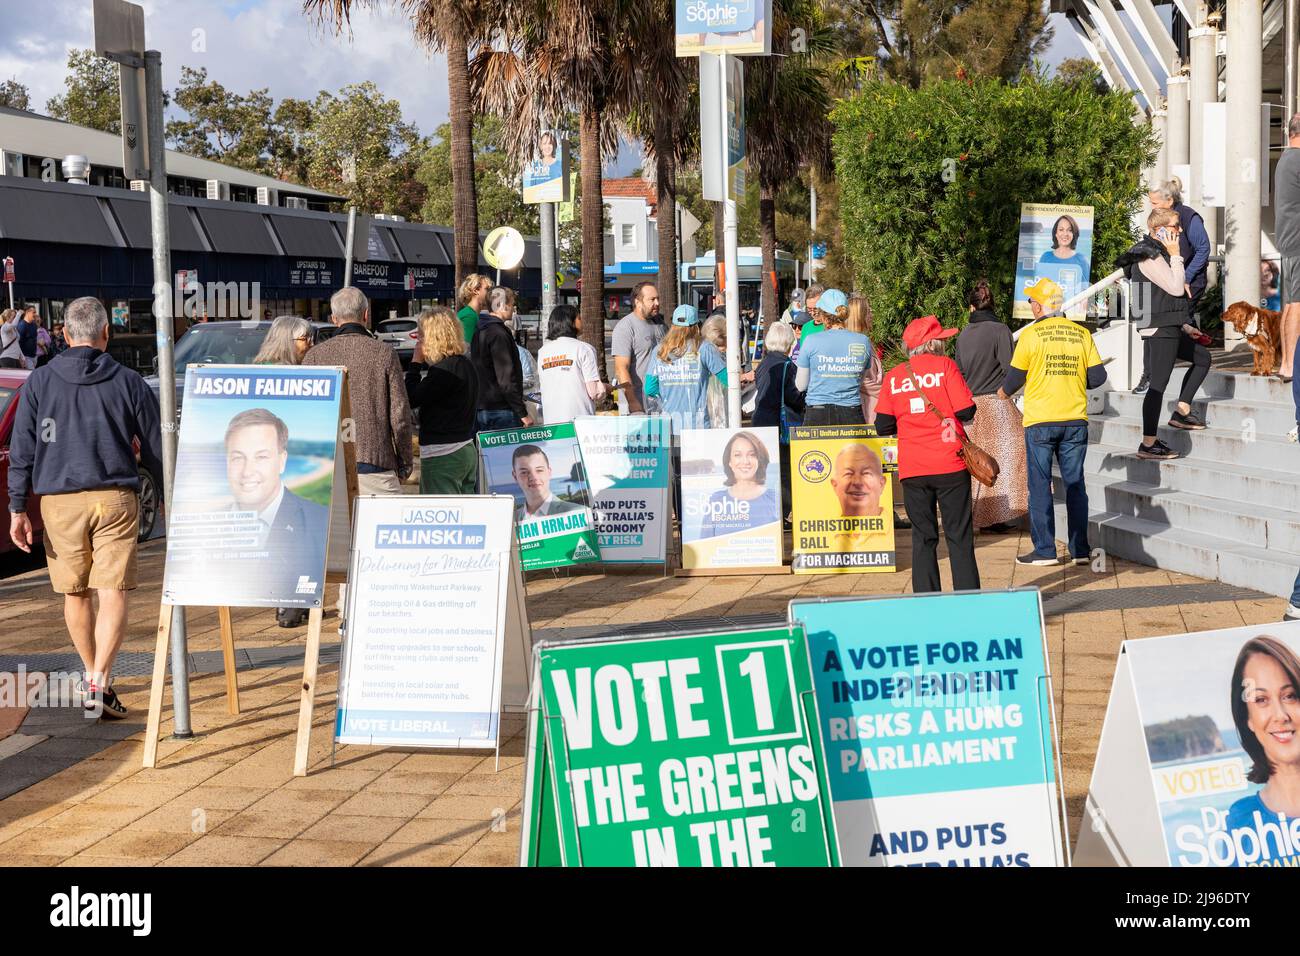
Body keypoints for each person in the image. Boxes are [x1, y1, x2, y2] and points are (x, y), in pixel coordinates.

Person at [7, 297, 163, 719]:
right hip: (115, 499)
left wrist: (18, 507)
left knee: (74, 593)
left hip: (59, 503)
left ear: (64, 334)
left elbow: (22, 449)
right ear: (106, 333)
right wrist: (170, 495)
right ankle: (99, 681)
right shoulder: (129, 381)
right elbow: (157, 447)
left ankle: (92, 675)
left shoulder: (39, 382)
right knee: (113, 591)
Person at [999, 276, 1107, 566]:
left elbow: (1014, 380)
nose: (1031, 306)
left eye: (1032, 301)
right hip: (1075, 420)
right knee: (1075, 485)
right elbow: (1098, 377)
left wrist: (1002, 393)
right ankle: (1080, 550)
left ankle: (1045, 550)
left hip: (1040, 422)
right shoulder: (1081, 334)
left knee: (1040, 485)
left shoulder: (1031, 336)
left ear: (1039, 306)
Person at [874, 315, 979, 593]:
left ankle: (926, 599)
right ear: (931, 344)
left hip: (914, 468)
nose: (944, 343)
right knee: (959, 536)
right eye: (940, 339)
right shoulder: (946, 367)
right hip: (950, 463)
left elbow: (882, 425)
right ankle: (969, 599)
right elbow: (966, 411)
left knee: (923, 537)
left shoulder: (896, 375)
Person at [1117, 207, 1211, 460]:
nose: (1179, 230)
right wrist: (1177, 255)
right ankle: (1148, 443)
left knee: (1203, 358)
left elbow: (1165, 296)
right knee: (1157, 386)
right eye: (1175, 226)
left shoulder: (1156, 253)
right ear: (1159, 230)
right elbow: (1176, 288)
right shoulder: (1150, 256)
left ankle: (1182, 410)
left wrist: (1185, 325)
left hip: (1168, 324)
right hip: (1160, 328)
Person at [302, 286, 414, 494]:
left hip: (327, 465)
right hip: (376, 461)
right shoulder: (384, 353)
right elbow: (399, 416)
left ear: (334, 318)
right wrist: (405, 462)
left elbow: (306, 415)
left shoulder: (314, 356)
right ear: (365, 314)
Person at [223, 408, 329, 599]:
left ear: (282, 461)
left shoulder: (320, 522)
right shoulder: (202, 527)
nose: (247, 471)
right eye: (238, 458)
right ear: (227, 462)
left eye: (261, 457)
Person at [252, 314, 315, 629]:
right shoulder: (286, 376)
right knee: (291, 532)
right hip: (283, 466)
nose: (310, 344)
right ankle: (289, 602)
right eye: (305, 339)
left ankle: (295, 598)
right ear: (287, 341)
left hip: (284, 464)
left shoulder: (258, 372)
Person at [955, 279, 1027, 534]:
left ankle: (979, 515)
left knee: (977, 465)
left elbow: (960, 373)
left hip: (971, 409)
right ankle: (1002, 514)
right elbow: (1010, 369)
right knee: (1010, 460)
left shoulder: (963, 334)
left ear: (971, 307)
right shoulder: (1000, 330)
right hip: (997, 406)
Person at [1224, 636, 1300, 866]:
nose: (1280, 715)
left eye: (1290, 696)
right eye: (1261, 700)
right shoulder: (1240, 821)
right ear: (1247, 718)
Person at [1138, 178, 1212, 391]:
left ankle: (1154, 375)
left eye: (1155, 203)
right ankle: (1153, 374)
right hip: (1168, 282)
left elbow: (1203, 248)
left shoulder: (1189, 217)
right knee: (1159, 326)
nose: (1152, 207)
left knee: (1176, 325)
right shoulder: (1160, 221)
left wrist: (1186, 277)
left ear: (1169, 200)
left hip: (1188, 282)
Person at [405, 306, 480, 494]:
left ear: (433, 337)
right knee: (465, 508)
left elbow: (410, 398)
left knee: (441, 509)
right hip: (465, 447)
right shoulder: (466, 364)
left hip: (442, 453)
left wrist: (415, 364)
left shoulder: (442, 371)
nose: (418, 340)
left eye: (421, 335)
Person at [644, 303, 728, 432]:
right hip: (698, 425)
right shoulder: (704, 348)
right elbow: (728, 380)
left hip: (670, 424)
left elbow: (649, 388)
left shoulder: (659, 350)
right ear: (696, 326)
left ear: (673, 325)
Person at [795, 288, 872, 425]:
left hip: (817, 412)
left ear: (823, 315)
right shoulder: (863, 341)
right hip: (851, 412)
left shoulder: (811, 340)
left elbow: (801, 385)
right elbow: (859, 380)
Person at [751, 321, 804, 514]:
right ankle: (784, 511)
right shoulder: (787, 366)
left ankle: (768, 510)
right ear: (788, 342)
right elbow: (794, 397)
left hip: (760, 421)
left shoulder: (763, 364)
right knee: (784, 469)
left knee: (766, 468)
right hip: (780, 425)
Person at [470, 285, 530, 431]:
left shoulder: (480, 330)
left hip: (483, 408)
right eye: (511, 304)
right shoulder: (498, 334)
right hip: (501, 410)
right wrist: (522, 412)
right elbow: (506, 379)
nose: (513, 308)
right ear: (502, 305)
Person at [700, 430, 780, 538]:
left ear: (759, 460)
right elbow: (704, 544)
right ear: (729, 461)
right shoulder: (716, 501)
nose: (745, 461)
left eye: (752, 455)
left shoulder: (774, 499)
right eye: (737, 455)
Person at [537, 304, 606, 424]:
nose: (582, 321)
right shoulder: (584, 349)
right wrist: (605, 388)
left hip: (551, 422)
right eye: (579, 318)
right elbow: (594, 392)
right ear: (570, 322)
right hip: (580, 421)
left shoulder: (543, 351)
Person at [611, 281, 666, 414]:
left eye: (658, 299)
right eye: (652, 299)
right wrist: (632, 401)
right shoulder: (625, 327)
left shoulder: (660, 325)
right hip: (639, 404)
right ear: (638, 302)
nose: (657, 303)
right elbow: (621, 368)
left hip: (662, 402)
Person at [1276, 114, 1300, 381]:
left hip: (1288, 241)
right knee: (1298, 305)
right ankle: (1292, 365)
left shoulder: (1285, 159)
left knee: (1291, 303)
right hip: (1298, 241)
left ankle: (1285, 363)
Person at [512, 444, 583, 521]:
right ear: (515, 477)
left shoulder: (578, 512)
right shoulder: (509, 521)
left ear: (549, 472)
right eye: (524, 472)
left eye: (539, 470)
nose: (533, 477)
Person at [1037, 214, 1090, 301]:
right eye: (1061, 230)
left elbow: (1084, 295)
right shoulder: (1045, 257)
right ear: (1056, 233)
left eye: (1069, 230)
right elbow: (1039, 289)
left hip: (1071, 308)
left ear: (1074, 234)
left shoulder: (1082, 260)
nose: (1065, 234)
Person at [830, 443, 885, 517]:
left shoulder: (891, 523)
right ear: (834, 485)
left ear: (881, 484)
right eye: (848, 473)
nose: (857, 482)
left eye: (866, 473)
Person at [456, 272, 491, 346]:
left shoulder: (471, 314)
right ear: (476, 290)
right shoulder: (469, 316)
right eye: (487, 289)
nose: (490, 292)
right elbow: (468, 349)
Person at [797, 283, 826, 347]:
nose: (812, 313)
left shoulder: (831, 327)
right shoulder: (806, 327)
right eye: (809, 309)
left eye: (816, 309)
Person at [16, 305, 38, 370]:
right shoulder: (22, 325)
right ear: (27, 312)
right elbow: (18, 342)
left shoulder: (34, 325)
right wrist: (21, 358)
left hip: (34, 356)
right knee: (31, 374)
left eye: (35, 312)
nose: (35, 314)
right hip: (26, 357)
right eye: (33, 312)